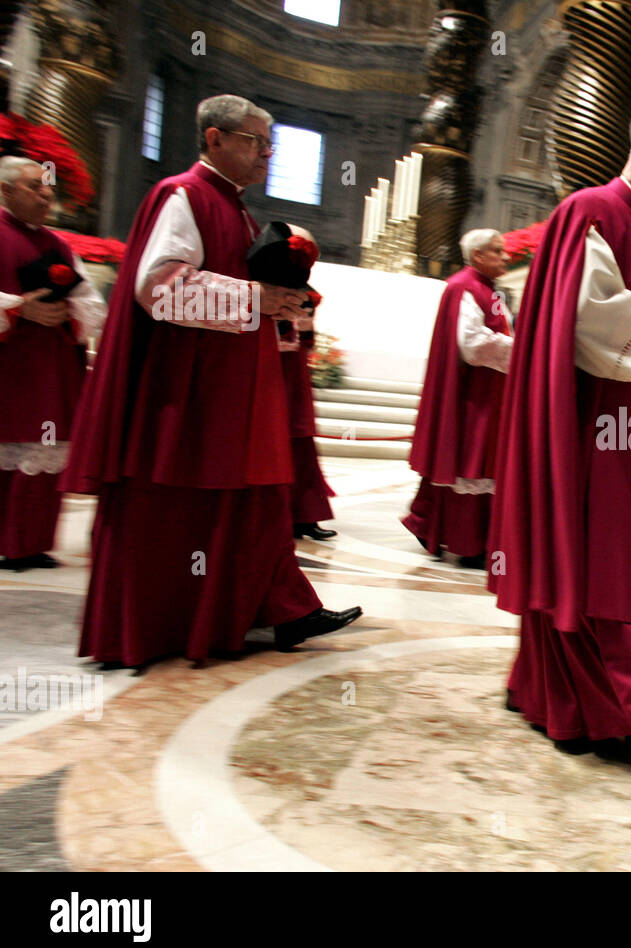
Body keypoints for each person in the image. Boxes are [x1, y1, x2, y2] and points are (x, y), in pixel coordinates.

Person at [61, 94, 361, 667]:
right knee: (182, 509)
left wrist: (281, 309)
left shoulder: (238, 210)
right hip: (187, 392)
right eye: (254, 141)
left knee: (255, 502)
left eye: (269, 144)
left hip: (231, 387)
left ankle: (278, 610)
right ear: (214, 138)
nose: (266, 153)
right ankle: (166, 625)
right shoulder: (184, 195)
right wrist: (256, 298)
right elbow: (160, 289)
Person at [489, 124, 631, 763]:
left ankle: (545, 688)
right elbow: (591, 314)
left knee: (598, 555)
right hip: (599, 428)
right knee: (614, 558)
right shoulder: (593, 210)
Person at [0, 156, 106, 570]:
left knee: (42, 456)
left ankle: (29, 543)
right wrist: (18, 310)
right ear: (6, 190)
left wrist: (69, 312)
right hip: (9, 369)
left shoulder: (59, 245)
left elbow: (91, 303)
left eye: (49, 188)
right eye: (34, 187)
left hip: (49, 371)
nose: (46, 195)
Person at [403, 228, 512, 568]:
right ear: (478, 256)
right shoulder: (464, 286)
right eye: (497, 250)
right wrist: (524, 351)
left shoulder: (485, 288)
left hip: (488, 390)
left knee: (470, 464)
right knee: (470, 464)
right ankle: (468, 543)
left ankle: (429, 525)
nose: (506, 256)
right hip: (472, 396)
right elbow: (472, 344)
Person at [277, 227, 336, 542]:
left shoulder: (305, 291)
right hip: (274, 373)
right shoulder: (265, 287)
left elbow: (306, 342)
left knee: (300, 444)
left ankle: (305, 516)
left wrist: (305, 324)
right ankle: (280, 514)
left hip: (294, 374)